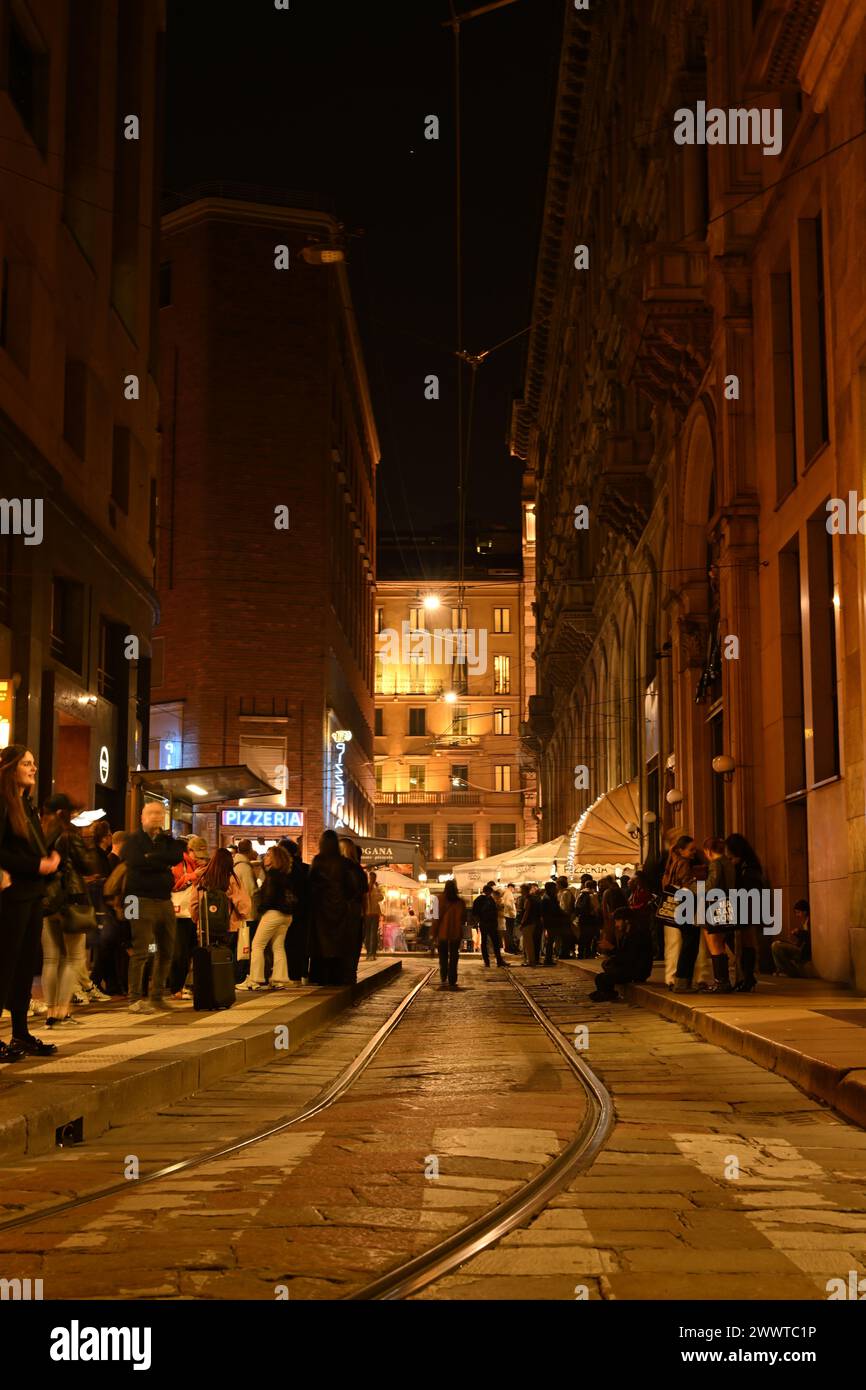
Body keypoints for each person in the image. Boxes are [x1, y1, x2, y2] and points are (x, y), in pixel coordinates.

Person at [0, 745, 61, 1061]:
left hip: (32, 896)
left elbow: (30, 851)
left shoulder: (26, 805)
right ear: (10, 768)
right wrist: (36, 866)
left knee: (25, 966)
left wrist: (49, 862)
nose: (34, 768)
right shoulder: (3, 802)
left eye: (34, 762)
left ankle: (20, 1033)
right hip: (10, 897)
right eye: (27, 763)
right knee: (5, 965)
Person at [121, 803, 185, 1015]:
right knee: (143, 950)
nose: (156, 817)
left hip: (164, 900)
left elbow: (176, 855)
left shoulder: (167, 841)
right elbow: (135, 861)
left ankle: (157, 996)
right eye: (151, 813)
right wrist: (159, 861)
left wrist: (152, 858)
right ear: (142, 817)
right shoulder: (133, 840)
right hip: (138, 899)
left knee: (167, 949)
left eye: (159, 813)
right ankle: (135, 998)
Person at [40, 793, 98, 1029]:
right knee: (74, 958)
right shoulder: (69, 835)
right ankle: (62, 1013)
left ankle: (50, 1012)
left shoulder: (41, 835)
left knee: (51, 959)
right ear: (64, 813)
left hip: (47, 902)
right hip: (70, 901)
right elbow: (87, 865)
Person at [309, 830, 367, 986]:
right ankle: (340, 976)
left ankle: (323, 977)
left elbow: (311, 885)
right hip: (341, 910)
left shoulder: (318, 861)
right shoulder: (345, 863)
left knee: (323, 946)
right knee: (340, 945)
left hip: (322, 911)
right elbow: (356, 887)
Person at [237, 844, 294, 990]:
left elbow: (269, 897)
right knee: (278, 946)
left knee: (257, 945)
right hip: (286, 915)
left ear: (276, 859)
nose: (265, 857)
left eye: (268, 855)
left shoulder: (272, 875)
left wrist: (261, 909)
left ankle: (255, 979)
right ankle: (280, 978)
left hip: (273, 913)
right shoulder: (285, 875)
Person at [192, 847, 252, 980]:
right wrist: (243, 914)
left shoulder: (203, 879)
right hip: (229, 926)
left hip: (206, 927)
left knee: (208, 956)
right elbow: (244, 905)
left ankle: (209, 982)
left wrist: (197, 920)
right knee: (226, 956)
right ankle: (224, 982)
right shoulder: (231, 880)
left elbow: (194, 904)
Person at [725, 832, 765, 992]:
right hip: (745, 907)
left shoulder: (748, 868)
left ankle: (747, 977)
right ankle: (746, 977)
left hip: (747, 908)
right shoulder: (744, 866)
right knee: (740, 942)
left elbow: (749, 889)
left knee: (745, 942)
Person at [589, 906, 655, 1002]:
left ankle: (608, 994)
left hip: (637, 971)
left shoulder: (638, 934)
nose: (616, 924)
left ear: (626, 920)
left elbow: (629, 957)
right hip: (630, 966)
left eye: (617, 921)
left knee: (603, 978)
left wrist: (611, 948)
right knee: (603, 972)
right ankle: (605, 993)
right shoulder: (627, 933)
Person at [700, 837, 737, 993]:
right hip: (728, 903)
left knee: (714, 944)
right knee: (720, 943)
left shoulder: (715, 864)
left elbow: (711, 886)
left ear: (708, 851)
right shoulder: (728, 862)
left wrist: (692, 887)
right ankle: (723, 981)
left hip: (715, 905)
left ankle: (721, 982)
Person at [283, 839, 311, 984]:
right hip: (304, 912)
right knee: (301, 944)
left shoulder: (286, 870)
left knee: (289, 944)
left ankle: (291, 975)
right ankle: (300, 973)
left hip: (289, 912)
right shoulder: (306, 868)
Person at [433, 878, 466, 991]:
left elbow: (436, 919)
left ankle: (443, 979)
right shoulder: (460, 902)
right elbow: (463, 919)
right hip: (456, 933)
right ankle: (452, 979)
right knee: (454, 956)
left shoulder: (438, 899)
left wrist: (433, 934)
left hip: (442, 933)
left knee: (443, 957)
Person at [772, 899, 812, 978]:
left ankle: (786, 971)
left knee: (776, 946)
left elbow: (810, 937)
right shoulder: (804, 922)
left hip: (803, 951)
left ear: (805, 912)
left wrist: (798, 932)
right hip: (799, 947)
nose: (797, 915)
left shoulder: (810, 921)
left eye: (798, 912)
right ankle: (782, 969)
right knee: (777, 943)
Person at [471, 882, 505, 968]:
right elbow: (476, 913)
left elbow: (474, 913)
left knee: (486, 942)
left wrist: (477, 922)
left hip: (485, 923)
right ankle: (497, 961)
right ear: (487, 891)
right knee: (494, 942)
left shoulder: (481, 899)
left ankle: (488, 961)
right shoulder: (488, 899)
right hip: (489, 924)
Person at [540, 879, 571, 965]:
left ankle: (550, 958)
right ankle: (548, 959)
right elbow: (553, 911)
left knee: (552, 940)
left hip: (553, 922)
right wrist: (564, 914)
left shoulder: (551, 897)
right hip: (551, 923)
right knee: (551, 941)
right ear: (550, 889)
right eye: (554, 888)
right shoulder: (547, 899)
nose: (556, 889)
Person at [574, 876, 601, 958]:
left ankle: (580, 953)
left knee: (582, 936)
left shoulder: (581, 894)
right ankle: (588, 953)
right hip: (590, 918)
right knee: (590, 936)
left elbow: (576, 906)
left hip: (582, 918)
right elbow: (596, 907)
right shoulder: (593, 895)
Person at [556, 876, 577, 959]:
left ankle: (564, 953)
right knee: (563, 936)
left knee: (565, 936)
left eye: (557, 884)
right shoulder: (561, 892)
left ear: (560, 885)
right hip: (562, 917)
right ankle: (562, 952)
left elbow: (565, 907)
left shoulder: (565, 893)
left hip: (564, 917)